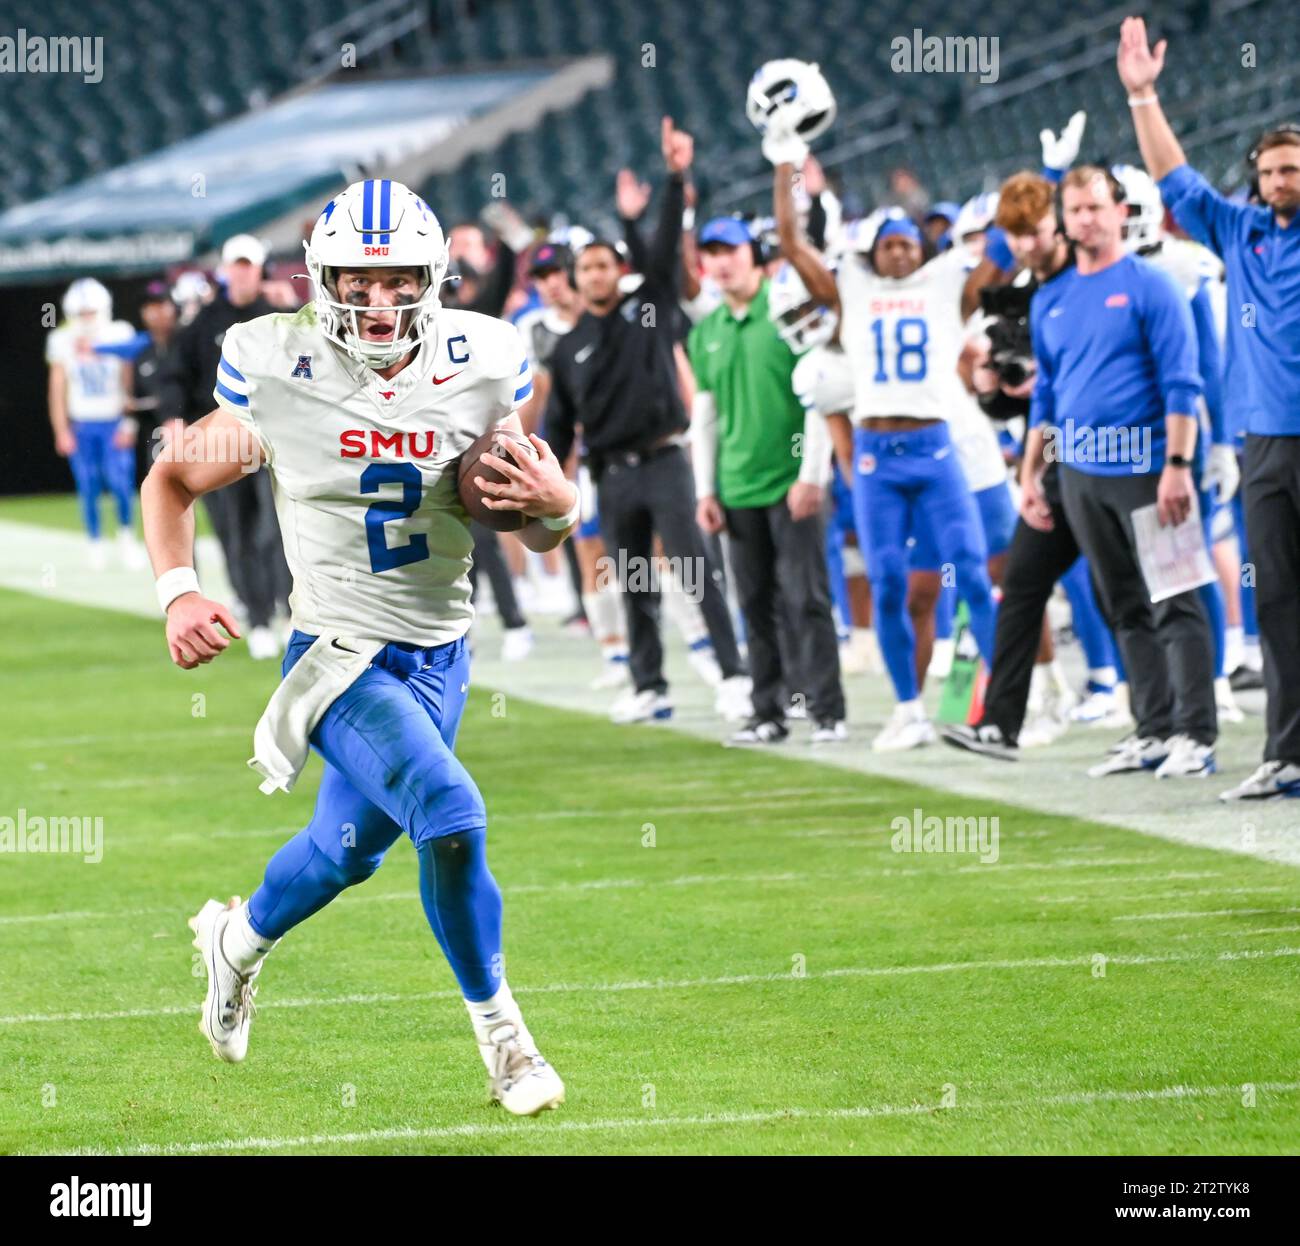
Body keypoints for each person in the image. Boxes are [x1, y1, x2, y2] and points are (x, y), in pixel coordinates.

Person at [142, 178, 572, 1117]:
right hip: (339, 656)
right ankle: (507, 1044)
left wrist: (560, 511)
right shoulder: (278, 365)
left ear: (435, 276)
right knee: (452, 814)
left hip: (442, 656)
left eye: (399, 279)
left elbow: (527, 519)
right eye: (356, 279)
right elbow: (171, 478)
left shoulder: (484, 359)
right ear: (322, 279)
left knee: (344, 854)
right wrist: (178, 594)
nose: (378, 301)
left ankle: (235, 944)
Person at [769, 120, 999, 753]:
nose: (900, 252)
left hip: (936, 447)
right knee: (890, 582)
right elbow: (791, 241)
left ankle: (1004, 705)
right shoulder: (852, 290)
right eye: (888, 244)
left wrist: (1040, 189)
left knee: (974, 573)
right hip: (876, 455)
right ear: (871, 253)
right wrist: (787, 162)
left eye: (907, 243)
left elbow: (1004, 253)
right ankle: (909, 709)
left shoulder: (948, 281)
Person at [1118, 15, 1300, 800]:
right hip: (1263, 445)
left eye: (1293, 170)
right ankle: (1288, 754)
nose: (1281, 182)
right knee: (1281, 608)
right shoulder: (1241, 230)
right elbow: (1173, 178)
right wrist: (1144, 96)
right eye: (1271, 172)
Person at [545, 118, 750, 725]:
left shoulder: (649, 308)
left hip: (665, 459)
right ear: (579, 281)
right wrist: (544, 480)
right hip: (611, 474)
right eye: (587, 270)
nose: (597, 275)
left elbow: (662, 252)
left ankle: (735, 676)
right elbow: (559, 427)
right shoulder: (569, 344)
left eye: (606, 265)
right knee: (633, 582)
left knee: (696, 569)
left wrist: (674, 177)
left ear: (620, 270)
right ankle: (649, 683)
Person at [1021, 164, 1217, 779]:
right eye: (1075, 209)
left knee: (1175, 599)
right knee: (1122, 605)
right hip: (1080, 472)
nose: (1086, 219)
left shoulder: (1152, 286)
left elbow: (1183, 384)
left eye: (1096, 207)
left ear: (1118, 210)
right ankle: (1153, 729)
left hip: (1147, 465)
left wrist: (1179, 466)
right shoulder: (1050, 298)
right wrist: (1031, 474)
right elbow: (1046, 397)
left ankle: (1198, 735)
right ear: (1062, 218)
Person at [690, 228, 846, 745]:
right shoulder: (705, 329)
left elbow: (820, 392)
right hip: (737, 487)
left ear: (753, 255)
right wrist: (705, 490)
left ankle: (827, 710)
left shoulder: (792, 311)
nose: (720, 263)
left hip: (789, 482)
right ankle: (769, 712)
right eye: (710, 254)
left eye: (729, 251)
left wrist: (812, 475)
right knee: (754, 605)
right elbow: (706, 415)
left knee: (807, 599)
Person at [159, 234, 290, 659]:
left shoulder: (279, 317)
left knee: (278, 531)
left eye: (249, 264)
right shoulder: (203, 322)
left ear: (260, 268)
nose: (242, 272)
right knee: (238, 533)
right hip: (224, 440)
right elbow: (175, 374)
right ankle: (257, 618)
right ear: (226, 268)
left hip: (275, 441)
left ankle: (286, 609)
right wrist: (175, 421)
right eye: (236, 264)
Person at [46, 278, 146, 570]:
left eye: (92, 312)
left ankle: (126, 538)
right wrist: (61, 429)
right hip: (83, 423)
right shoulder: (61, 340)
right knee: (88, 485)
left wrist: (130, 422)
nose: (88, 319)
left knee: (120, 483)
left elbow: (129, 380)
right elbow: (57, 388)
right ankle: (95, 542)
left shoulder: (120, 332)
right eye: (82, 314)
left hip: (113, 419)